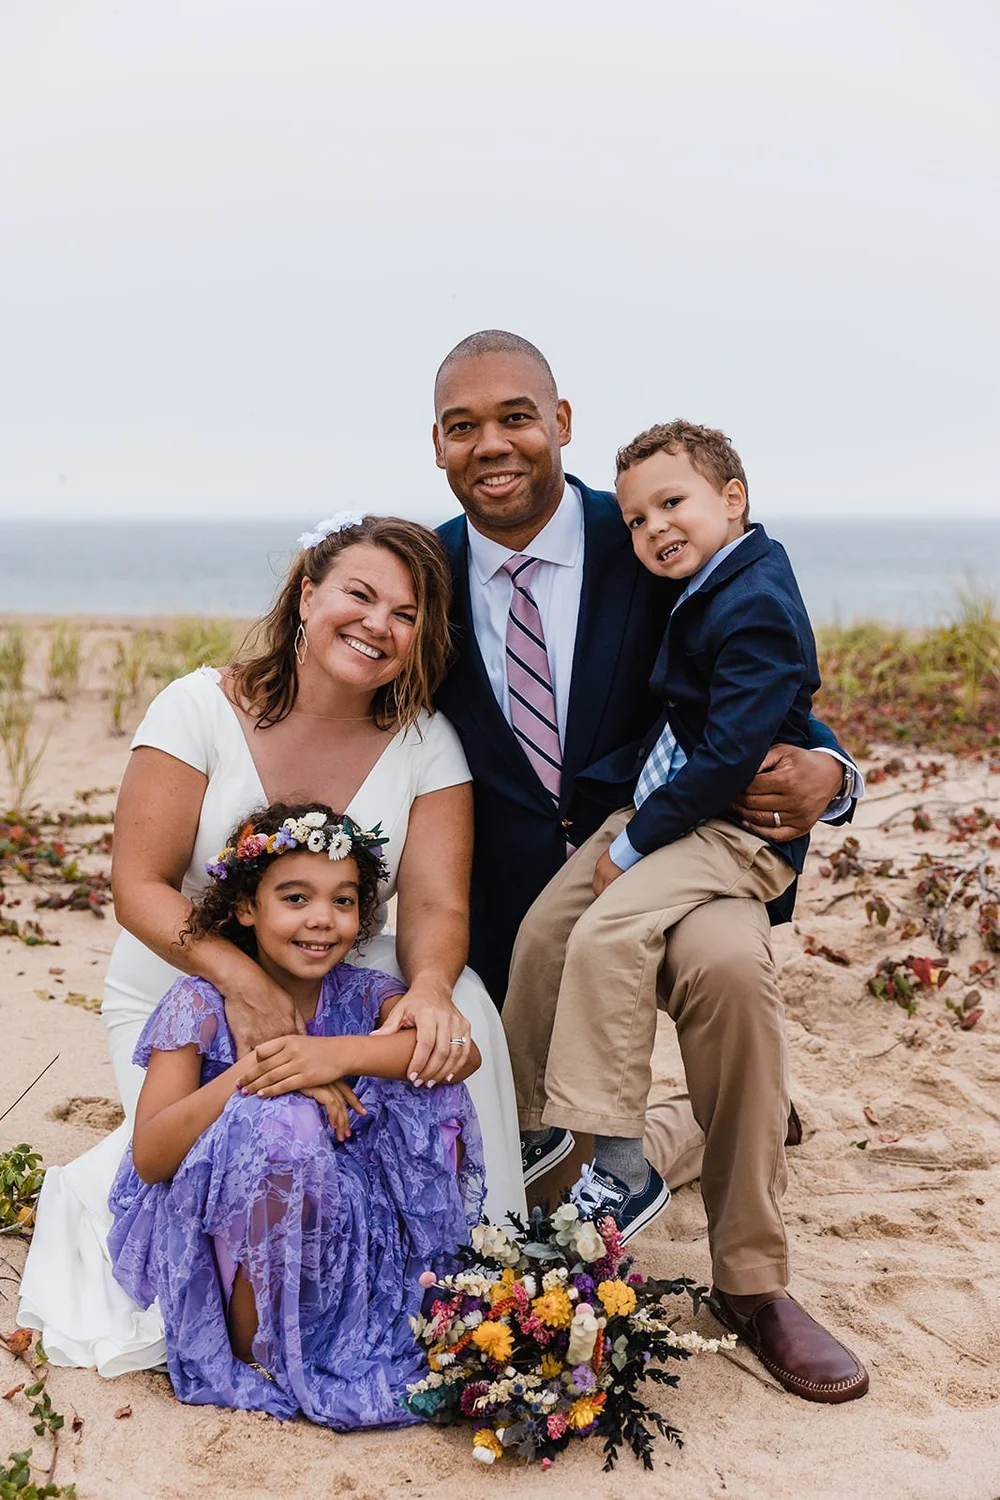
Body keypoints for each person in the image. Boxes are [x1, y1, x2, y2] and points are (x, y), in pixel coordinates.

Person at [432, 332, 869, 1403]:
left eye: (516, 417)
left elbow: (752, 680)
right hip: (522, 892)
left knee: (729, 971)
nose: (493, 444)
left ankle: (753, 1283)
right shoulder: (424, 572)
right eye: (462, 425)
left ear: (561, 423)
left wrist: (833, 772)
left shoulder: (643, 531)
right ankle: (653, 1147)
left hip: (677, 848)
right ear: (437, 445)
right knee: (527, 1172)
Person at [19, 513, 525, 1376]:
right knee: (244, 1136)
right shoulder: (197, 707)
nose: (378, 625)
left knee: (460, 1004)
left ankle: (465, 1258)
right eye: (359, 595)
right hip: (181, 981)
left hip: (342, 978)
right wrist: (235, 980)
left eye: (406, 616)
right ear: (306, 595)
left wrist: (431, 984)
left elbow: (437, 901)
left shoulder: (425, 742)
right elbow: (137, 884)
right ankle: (263, 1314)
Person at [503, 419, 824, 1243]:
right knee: (544, 930)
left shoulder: (754, 601)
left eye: (671, 504)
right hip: (650, 808)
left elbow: (733, 755)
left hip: (724, 828)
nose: (653, 531)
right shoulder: (697, 574)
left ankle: (620, 1162)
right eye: (637, 520)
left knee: (609, 931)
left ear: (733, 497)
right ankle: (534, 1127)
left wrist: (632, 844)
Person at [108, 800, 483, 1428]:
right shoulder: (198, 1004)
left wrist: (326, 1055)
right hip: (225, 1227)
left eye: (343, 901)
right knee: (283, 1122)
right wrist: (261, 1074)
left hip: (346, 1219)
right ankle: (255, 1340)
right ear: (246, 907)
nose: (322, 920)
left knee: (427, 1079)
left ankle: (401, 1293)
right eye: (296, 898)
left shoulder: (364, 997)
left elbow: (461, 1056)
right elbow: (149, 1156)